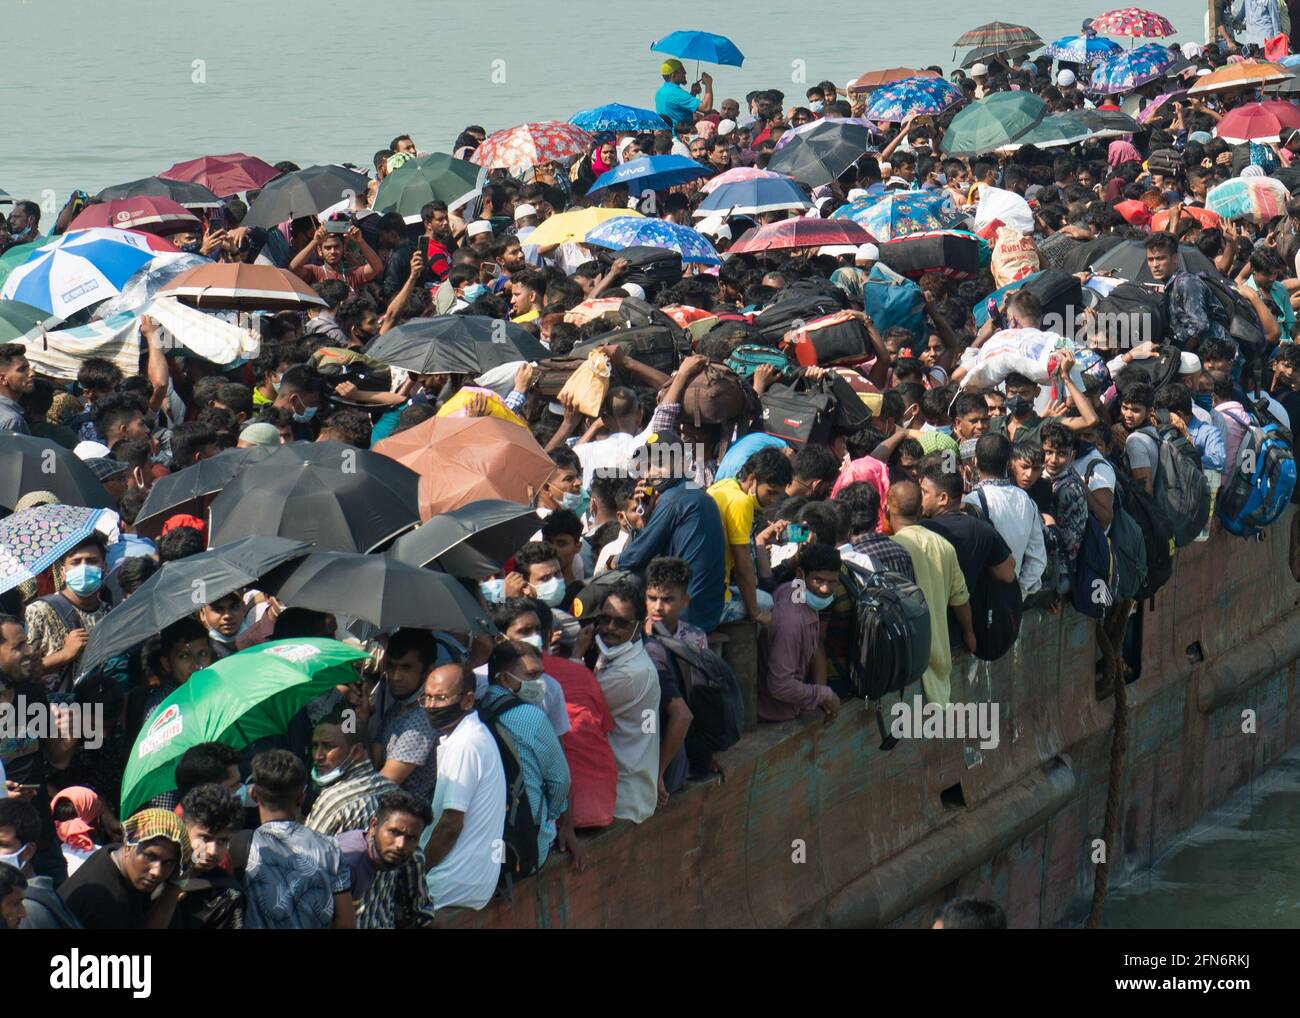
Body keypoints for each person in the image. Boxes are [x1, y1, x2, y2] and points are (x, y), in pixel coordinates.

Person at [419, 661, 507, 912]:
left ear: (468, 700)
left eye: (441, 698)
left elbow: (450, 825)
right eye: (427, 698)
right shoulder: (468, 735)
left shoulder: (465, 744)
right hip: (472, 878)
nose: (431, 706)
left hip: (452, 880)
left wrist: (417, 872)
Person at [479, 640, 573, 867]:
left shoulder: (477, 711)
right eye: (531, 675)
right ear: (505, 680)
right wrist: (549, 816)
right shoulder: (533, 717)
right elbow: (561, 781)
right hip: (530, 842)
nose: (540, 684)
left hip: (488, 840)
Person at [577, 577, 660, 824]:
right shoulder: (620, 657)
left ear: (639, 626)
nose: (610, 628)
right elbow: (649, 725)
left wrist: (574, 656)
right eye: (605, 619)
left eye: (621, 623)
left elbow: (578, 708)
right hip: (629, 790)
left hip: (622, 800)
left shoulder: (631, 673)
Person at [0, 617, 75, 884]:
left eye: (27, 643)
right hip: (6, 848)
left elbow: (60, 758)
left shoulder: (32, 693)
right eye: (18, 646)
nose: (29, 652)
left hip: (42, 838)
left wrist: (72, 730)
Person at [886, 480, 975, 706]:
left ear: (887, 509)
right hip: (939, 657)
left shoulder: (891, 548)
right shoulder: (942, 545)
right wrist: (969, 634)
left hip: (907, 662)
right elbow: (960, 598)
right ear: (920, 510)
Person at [244, 749, 354, 930]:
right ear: (302, 797)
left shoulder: (241, 846)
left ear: (253, 794)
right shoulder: (330, 848)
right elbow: (346, 923)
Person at [58, 808, 189, 930]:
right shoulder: (109, 903)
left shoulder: (113, 852)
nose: (157, 872)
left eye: (168, 863)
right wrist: (174, 888)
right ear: (128, 846)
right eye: (150, 856)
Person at [758, 543, 842, 723]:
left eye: (832, 581)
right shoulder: (791, 623)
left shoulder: (793, 590)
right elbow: (780, 685)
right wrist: (824, 694)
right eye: (818, 580)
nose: (825, 589)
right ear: (800, 575)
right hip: (776, 714)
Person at [709, 446, 791, 625]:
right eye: (771, 492)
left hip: (703, 588)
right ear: (753, 479)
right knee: (768, 603)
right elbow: (743, 565)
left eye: (778, 494)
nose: (774, 500)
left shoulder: (724, 485)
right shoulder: (741, 502)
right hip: (716, 599)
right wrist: (756, 613)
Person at [640, 557, 700, 799]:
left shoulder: (694, 640)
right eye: (652, 598)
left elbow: (697, 701)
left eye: (667, 600)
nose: (657, 607)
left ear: (684, 601)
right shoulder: (635, 638)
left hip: (676, 744)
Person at [336, 789, 437, 929]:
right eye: (394, 832)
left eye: (411, 838)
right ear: (373, 826)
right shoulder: (352, 864)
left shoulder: (397, 857)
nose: (400, 845)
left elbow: (421, 911)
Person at [964, 434, 1048, 600]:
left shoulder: (973, 501)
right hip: (1010, 604)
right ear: (1009, 463)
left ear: (975, 461)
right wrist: (1020, 592)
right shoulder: (1026, 499)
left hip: (982, 601)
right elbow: (1038, 558)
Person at [25, 536, 112, 695]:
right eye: (76, 562)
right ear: (63, 572)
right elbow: (24, 670)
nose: (84, 568)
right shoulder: (39, 611)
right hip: (52, 711)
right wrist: (64, 654)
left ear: (104, 568)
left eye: (92, 561)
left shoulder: (110, 614)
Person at [362, 627, 442, 798]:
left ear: (428, 671)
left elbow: (386, 783)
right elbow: (372, 764)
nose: (396, 676)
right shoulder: (396, 709)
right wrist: (359, 720)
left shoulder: (423, 717)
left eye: (406, 668)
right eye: (391, 666)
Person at [304, 710, 398, 838]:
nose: (318, 756)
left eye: (328, 746)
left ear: (357, 751)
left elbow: (308, 851)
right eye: (315, 746)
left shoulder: (333, 800)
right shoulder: (393, 789)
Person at [175, 783, 245, 930]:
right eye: (205, 838)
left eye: (222, 841)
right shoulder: (155, 874)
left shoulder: (227, 895)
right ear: (183, 831)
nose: (212, 851)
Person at [655, 58, 713, 127]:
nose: (685, 72)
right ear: (673, 75)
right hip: (680, 133)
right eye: (682, 70)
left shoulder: (660, 92)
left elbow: (679, 107)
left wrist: (693, 93)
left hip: (667, 131)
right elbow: (706, 107)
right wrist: (708, 84)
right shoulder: (677, 93)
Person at [0, 343, 34, 434]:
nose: (31, 373)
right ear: (3, 379)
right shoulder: (11, 421)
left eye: (28, 367)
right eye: (22, 369)